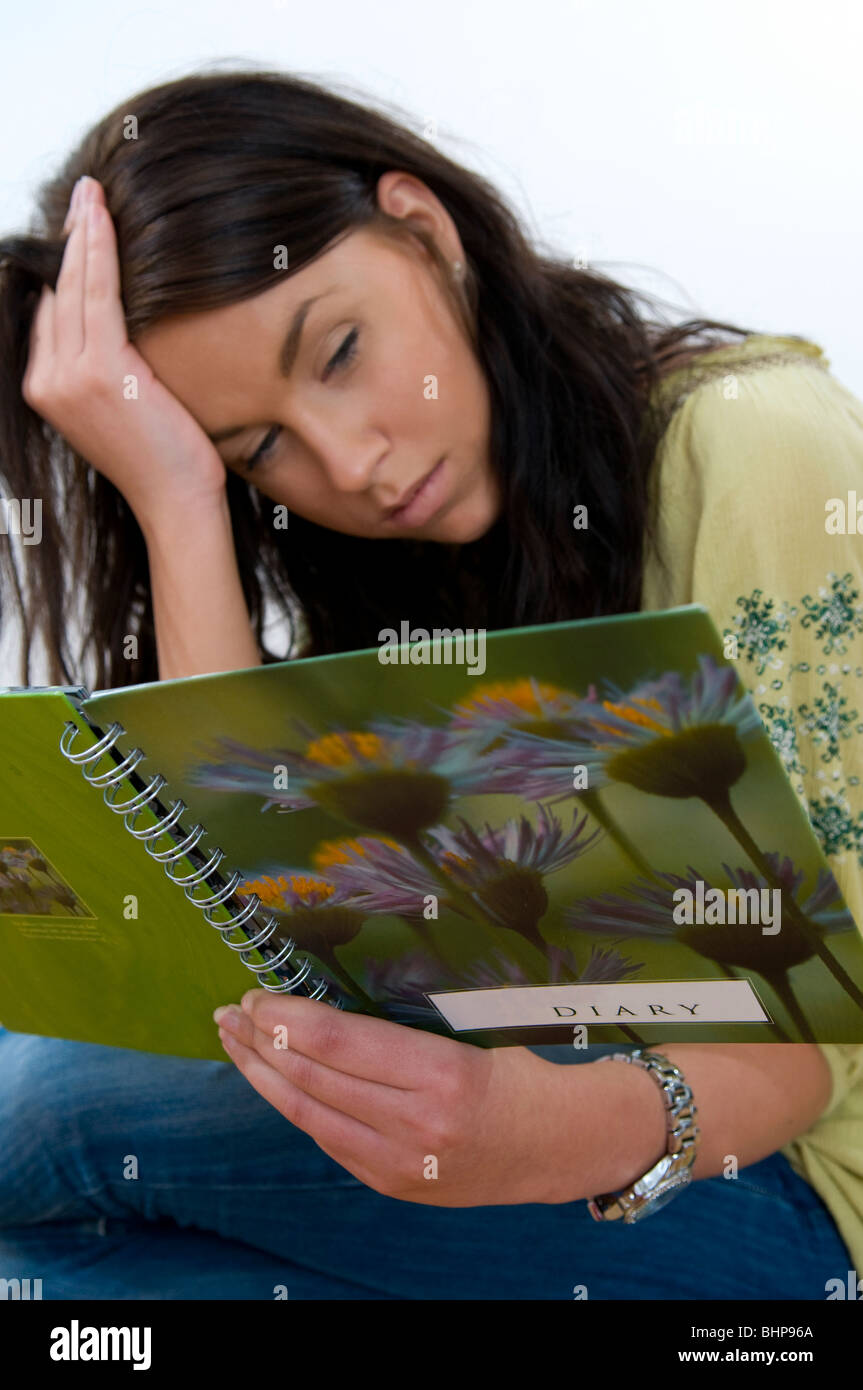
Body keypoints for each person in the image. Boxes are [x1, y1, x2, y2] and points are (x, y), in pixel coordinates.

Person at [0, 65, 861, 1302]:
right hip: (530, 1120)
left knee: (50, 1103)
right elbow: (270, 935)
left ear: (424, 225)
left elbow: (817, 1046)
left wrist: (525, 1126)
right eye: (262, 448)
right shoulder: (388, 560)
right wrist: (180, 503)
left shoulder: (749, 446)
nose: (351, 461)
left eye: (341, 350)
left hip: (793, 1177)